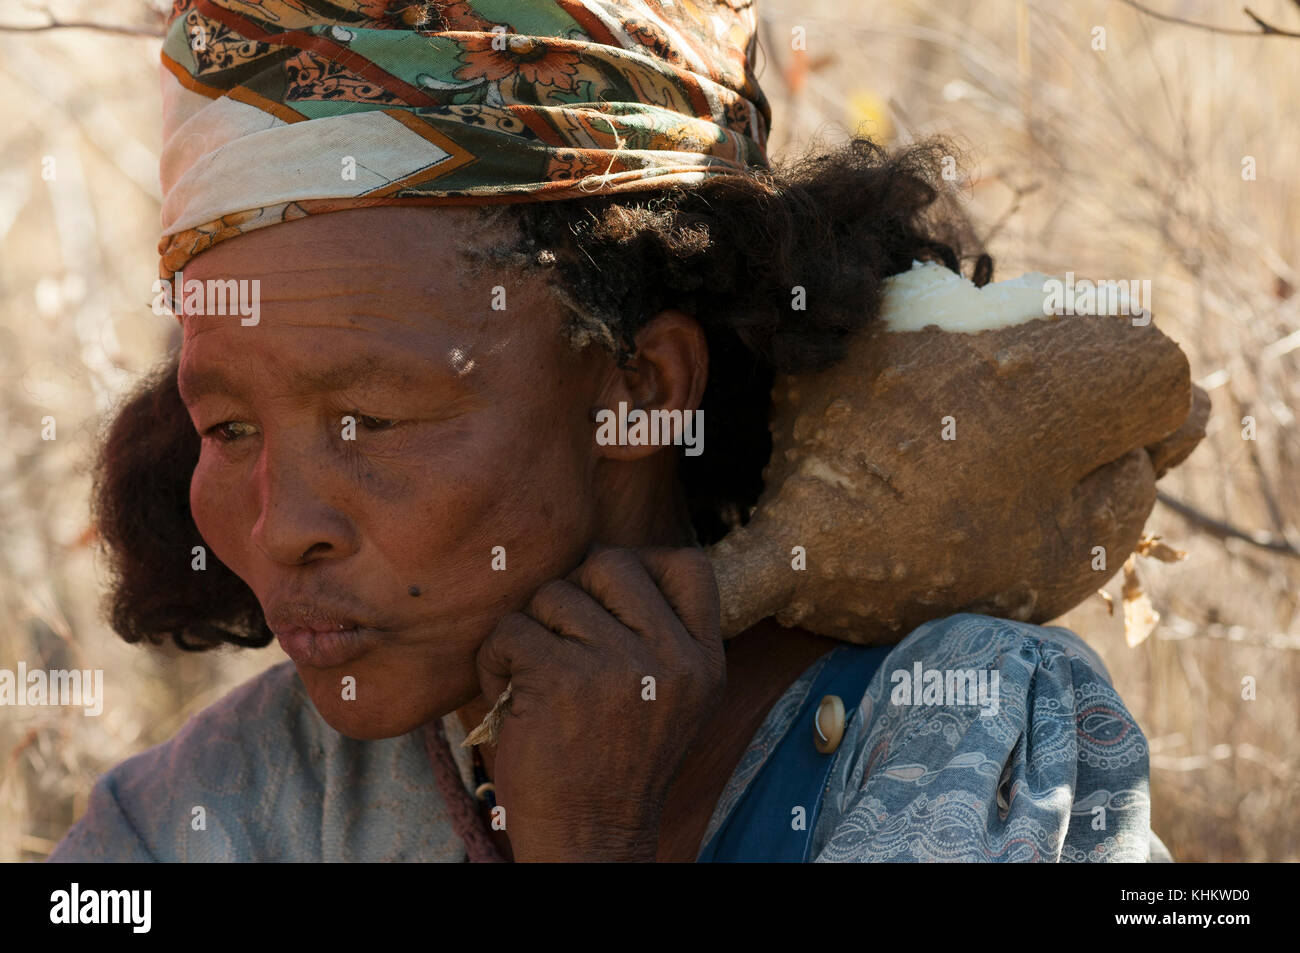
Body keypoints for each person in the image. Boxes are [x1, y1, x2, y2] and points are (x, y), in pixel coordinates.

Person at [49, 0, 1169, 862]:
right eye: (229, 425)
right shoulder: (197, 817)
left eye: (372, 418)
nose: (282, 523)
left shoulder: (973, 746)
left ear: (638, 385)